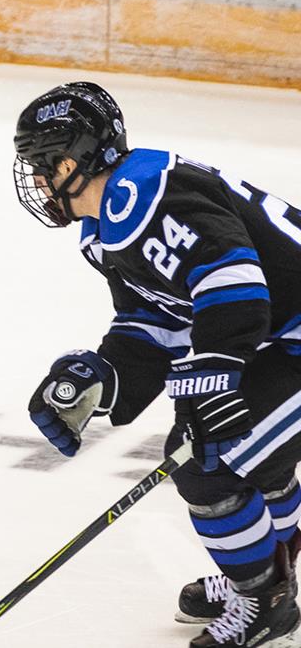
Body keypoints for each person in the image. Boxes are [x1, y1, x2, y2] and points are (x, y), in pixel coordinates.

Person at [18, 82, 301, 647]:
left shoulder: (149, 193)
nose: (39, 182)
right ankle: (273, 569)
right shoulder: (107, 225)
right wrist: (99, 376)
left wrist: (215, 373)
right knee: (242, 446)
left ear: (70, 162)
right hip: (280, 334)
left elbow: (233, 282)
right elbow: (158, 323)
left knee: (208, 461)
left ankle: (264, 598)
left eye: (41, 166)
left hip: (286, 333)